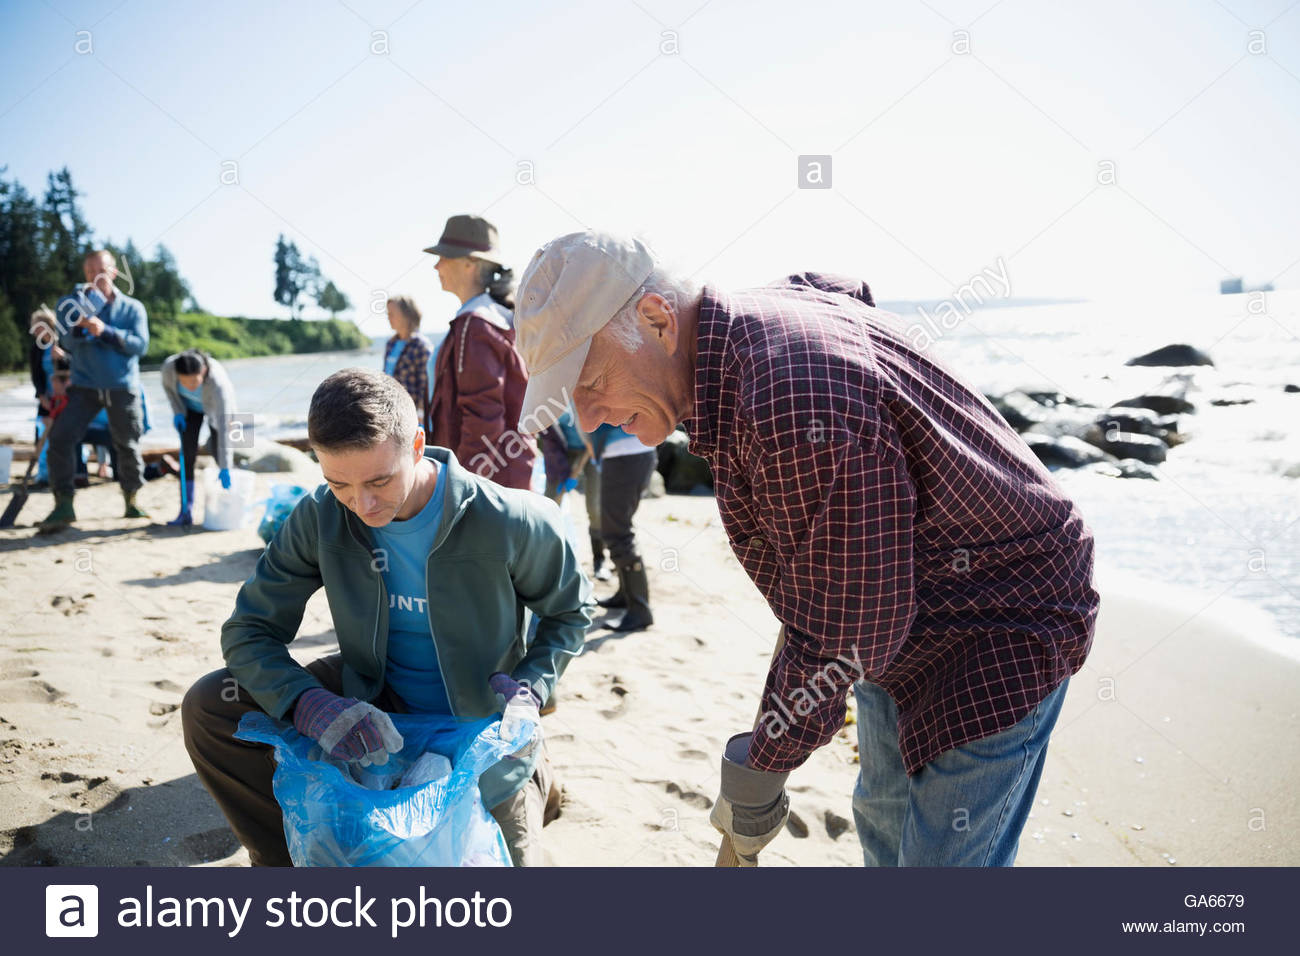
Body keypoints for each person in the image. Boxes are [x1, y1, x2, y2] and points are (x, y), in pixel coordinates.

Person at [512, 231, 1099, 867]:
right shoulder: (743, 337)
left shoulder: (790, 396)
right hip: (899, 614)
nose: (590, 419)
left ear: (657, 319)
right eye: (573, 398)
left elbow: (849, 630)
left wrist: (756, 776)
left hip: (1001, 613)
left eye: (592, 381)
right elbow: (844, 291)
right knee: (881, 815)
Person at [181, 368, 589, 867]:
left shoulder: (512, 518)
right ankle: (280, 862)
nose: (363, 504)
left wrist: (533, 685)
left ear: (417, 446)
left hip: (481, 728)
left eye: (379, 480)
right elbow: (249, 630)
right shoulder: (319, 516)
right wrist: (307, 703)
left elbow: (569, 612)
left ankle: (537, 778)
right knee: (210, 705)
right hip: (371, 703)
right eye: (339, 484)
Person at [38, 249, 150, 531]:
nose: (94, 277)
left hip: (122, 386)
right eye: (89, 272)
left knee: (127, 444)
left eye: (100, 271)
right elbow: (65, 343)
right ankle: (64, 504)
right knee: (61, 440)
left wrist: (106, 331)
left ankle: (131, 500)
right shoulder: (69, 304)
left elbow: (140, 346)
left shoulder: (132, 308)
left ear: (113, 272)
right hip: (84, 386)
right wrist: (79, 326)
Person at [423, 214, 534, 490]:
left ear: (469, 264)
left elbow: (482, 419)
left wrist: (466, 488)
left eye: (444, 257)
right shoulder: (497, 318)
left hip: (489, 486)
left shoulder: (475, 324)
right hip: (510, 477)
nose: (436, 266)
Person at [160, 349, 239, 526]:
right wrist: (178, 412)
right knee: (187, 455)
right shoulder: (168, 368)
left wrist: (225, 467)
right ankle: (185, 512)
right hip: (189, 410)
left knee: (221, 453)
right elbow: (170, 392)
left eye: (194, 382)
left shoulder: (218, 383)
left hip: (217, 410)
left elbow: (227, 427)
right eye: (184, 382)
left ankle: (232, 500)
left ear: (202, 372)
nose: (189, 386)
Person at [592, 424, 656, 632]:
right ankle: (625, 594)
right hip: (633, 454)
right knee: (616, 528)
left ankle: (640, 609)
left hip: (625, 456)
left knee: (617, 532)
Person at [382, 295, 434, 422]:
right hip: (390, 413)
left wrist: (421, 414)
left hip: (411, 417)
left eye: (392, 313)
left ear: (407, 315)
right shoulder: (391, 344)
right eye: (387, 313)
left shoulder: (421, 345)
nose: (388, 317)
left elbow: (427, 385)